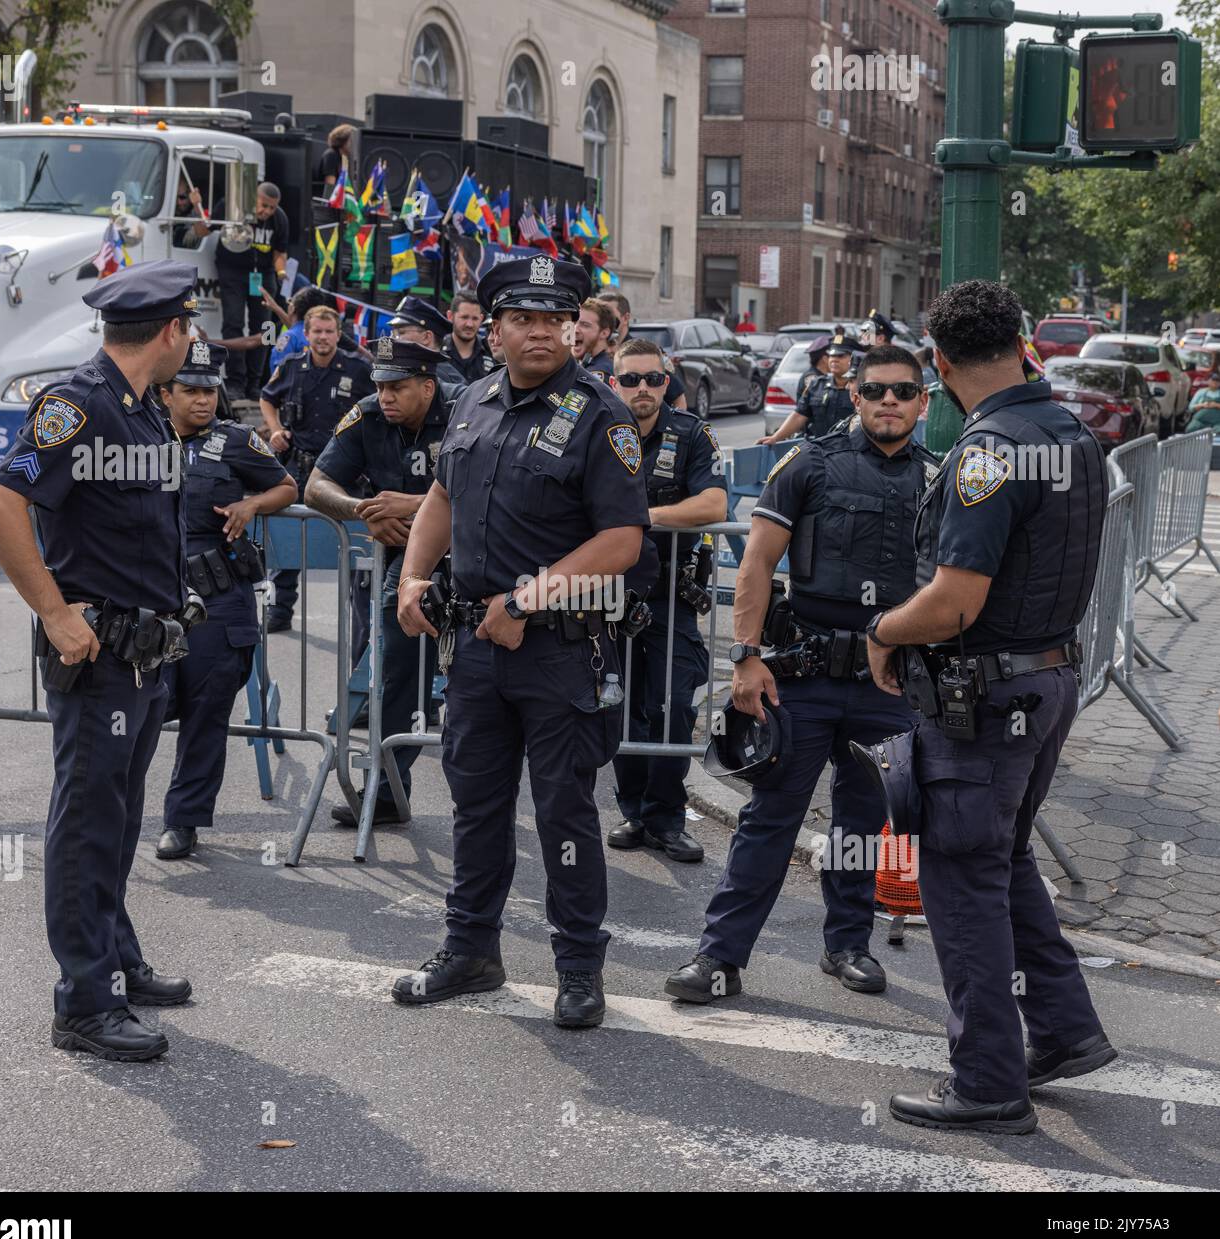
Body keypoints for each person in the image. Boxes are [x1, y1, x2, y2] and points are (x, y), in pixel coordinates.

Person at [865, 279, 1114, 1134]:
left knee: (962, 880)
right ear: (1021, 342)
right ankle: (1066, 1032)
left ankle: (987, 1083)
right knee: (1003, 862)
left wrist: (884, 631)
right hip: (1045, 681)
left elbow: (956, 600)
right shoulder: (1069, 432)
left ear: (937, 362)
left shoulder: (990, 448)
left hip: (985, 695)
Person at [393, 254, 649, 1029]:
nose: (539, 332)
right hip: (473, 649)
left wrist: (526, 600)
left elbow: (623, 541)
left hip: (558, 650)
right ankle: (470, 950)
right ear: (495, 330)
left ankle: (578, 966)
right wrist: (412, 576)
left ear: (573, 327)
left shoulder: (599, 413)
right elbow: (442, 492)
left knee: (564, 815)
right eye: (522, 319)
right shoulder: (471, 401)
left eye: (553, 319)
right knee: (475, 807)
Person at [665, 345, 940, 1005]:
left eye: (903, 391)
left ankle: (848, 944)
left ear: (924, 401)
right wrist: (745, 658)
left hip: (890, 684)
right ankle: (719, 957)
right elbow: (757, 563)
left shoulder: (939, 479)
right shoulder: (808, 463)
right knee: (771, 817)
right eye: (876, 390)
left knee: (864, 821)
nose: (889, 402)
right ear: (856, 396)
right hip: (803, 676)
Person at [0, 261, 201, 1062]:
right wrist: (55, 612)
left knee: (118, 818)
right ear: (169, 331)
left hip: (142, 654)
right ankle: (83, 1002)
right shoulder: (79, 405)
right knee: (87, 825)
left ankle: (115, 959)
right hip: (98, 655)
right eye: (189, 328)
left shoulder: (139, 410)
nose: (194, 340)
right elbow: (0, 502)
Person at [155, 342, 297, 860]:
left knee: (205, 709)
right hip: (152, 597)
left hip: (219, 599)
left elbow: (286, 486)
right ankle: (114, 811)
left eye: (209, 391)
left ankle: (183, 819)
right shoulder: (141, 439)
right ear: (164, 392)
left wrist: (251, 503)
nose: (203, 401)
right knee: (144, 704)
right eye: (190, 391)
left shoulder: (234, 440)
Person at [305, 338, 454, 825]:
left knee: (482, 677)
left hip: (476, 557)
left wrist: (410, 506)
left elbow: (491, 481)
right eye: (381, 386)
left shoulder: (466, 407)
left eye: (398, 387)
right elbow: (316, 485)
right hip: (404, 564)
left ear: (428, 387)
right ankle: (387, 791)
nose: (385, 396)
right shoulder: (367, 415)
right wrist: (363, 512)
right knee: (394, 671)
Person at [606, 339, 727, 863]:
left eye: (652, 379)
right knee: (620, 706)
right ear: (615, 384)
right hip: (606, 596)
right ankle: (633, 811)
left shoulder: (692, 433)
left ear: (666, 380)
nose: (642, 389)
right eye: (630, 379)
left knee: (674, 705)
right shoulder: (598, 430)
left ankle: (665, 816)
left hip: (669, 599)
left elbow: (714, 502)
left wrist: (642, 518)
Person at [259, 304, 374, 632]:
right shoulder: (292, 367)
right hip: (300, 466)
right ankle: (279, 611)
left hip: (345, 473)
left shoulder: (358, 369)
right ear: (306, 335)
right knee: (290, 542)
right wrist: (275, 429)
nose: (323, 337)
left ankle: (363, 622)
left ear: (339, 334)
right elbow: (267, 398)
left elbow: (380, 407)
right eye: (317, 332)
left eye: (329, 331)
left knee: (356, 546)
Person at [212, 181, 290, 400]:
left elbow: (279, 253)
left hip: (262, 275)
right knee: (233, 323)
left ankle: (255, 383)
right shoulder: (232, 205)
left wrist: (281, 272)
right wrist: (197, 207)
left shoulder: (280, 219)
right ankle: (236, 381)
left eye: (272, 207)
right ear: (254, 198)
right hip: (232, 270)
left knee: (265, 328)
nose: (266, 211)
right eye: (263, 205)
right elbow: (203, 228)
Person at [598, 287, 687, 409]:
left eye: (610, 316)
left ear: (625, 318)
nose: (605, 322)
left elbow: (678, 398)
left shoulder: (645, 352)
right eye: (601, 317)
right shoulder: (591, 353)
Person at [760, 340, 855, 442]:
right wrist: (776, 437)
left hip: (849, 450)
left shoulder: (859, 388)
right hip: (821, 448)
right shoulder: (816, 385)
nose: (834, 360)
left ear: (853, 360)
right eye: (832, 356)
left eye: (840, 356)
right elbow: (799, 415)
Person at [386, 296, 468, 399]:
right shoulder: (410, 369)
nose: (393, 339)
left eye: (401, 333)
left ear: (426, 337)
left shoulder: (446, 379)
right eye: (393, 333)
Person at [441, 288, 495, 383]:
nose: (469, 324)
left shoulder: (492, 350)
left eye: (475, 318)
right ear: (450, 316)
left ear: (481, 319)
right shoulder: (438, 352)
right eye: (464, 317)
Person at [573, 297, 616, 380]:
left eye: (585, 325)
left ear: (604, 333)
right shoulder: (589, 364)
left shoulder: (599, 372)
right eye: (573, 323)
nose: (575, 330)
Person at [172, 178, 210, 248]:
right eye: (175, 198)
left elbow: (206, 221)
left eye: (182, 197)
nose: (178, 202)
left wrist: (196, 204)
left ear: (190, 196)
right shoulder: (167, 211)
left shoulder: (199, 212)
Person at [318, 123, 355, 196]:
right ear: (343, 141)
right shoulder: (331, 155)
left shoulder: (346, 158)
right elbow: (330, 187)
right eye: (352, 140)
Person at [797, 334, 831, 401]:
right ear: (825, 359)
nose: (835, 361)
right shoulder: (812, 377)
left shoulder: (822, 376)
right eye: (833, 357)